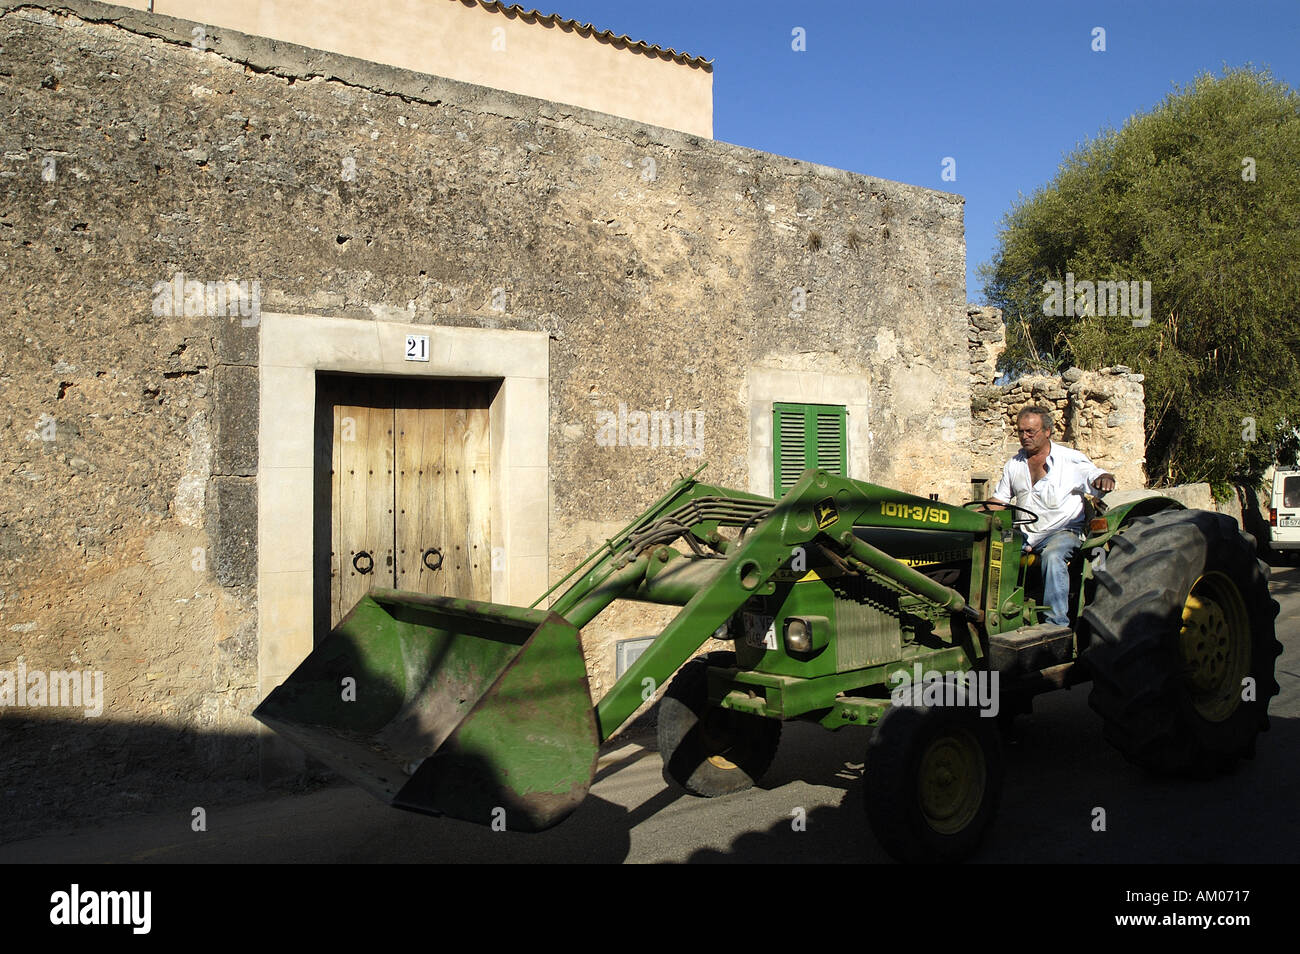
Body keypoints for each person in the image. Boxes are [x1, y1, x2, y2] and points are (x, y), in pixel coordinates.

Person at [987, 405, 1116, 628]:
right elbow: (1000, 501)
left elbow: (1094, 474)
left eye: (1031, 432)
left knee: (1054, 556)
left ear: (1047, 431)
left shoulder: (1070, 460)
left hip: (1063, 532)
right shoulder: (1014, 465)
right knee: (992, 551)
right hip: (1026, 535)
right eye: (1020, 432)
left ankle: (1056, 624)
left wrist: (1104, 478)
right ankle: (995, 615)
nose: (1024, 437)